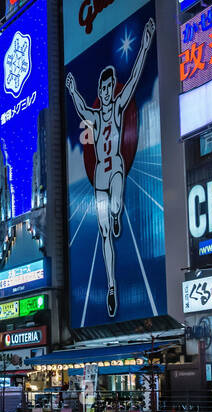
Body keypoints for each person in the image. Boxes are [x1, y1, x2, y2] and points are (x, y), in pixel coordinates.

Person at [63, 16, 156, 318]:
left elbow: (135, 78)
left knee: (116, 186)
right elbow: (79, 106)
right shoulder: (94, 114)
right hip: (99, 177)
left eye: (107, 87)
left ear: (110, 89)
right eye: (101, 88)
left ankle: (117, 212)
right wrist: (73, 89)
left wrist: (144, 44)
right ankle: (112, 286)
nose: (104, 91)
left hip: (115, 166)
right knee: (105, 235)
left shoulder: (117, 107)